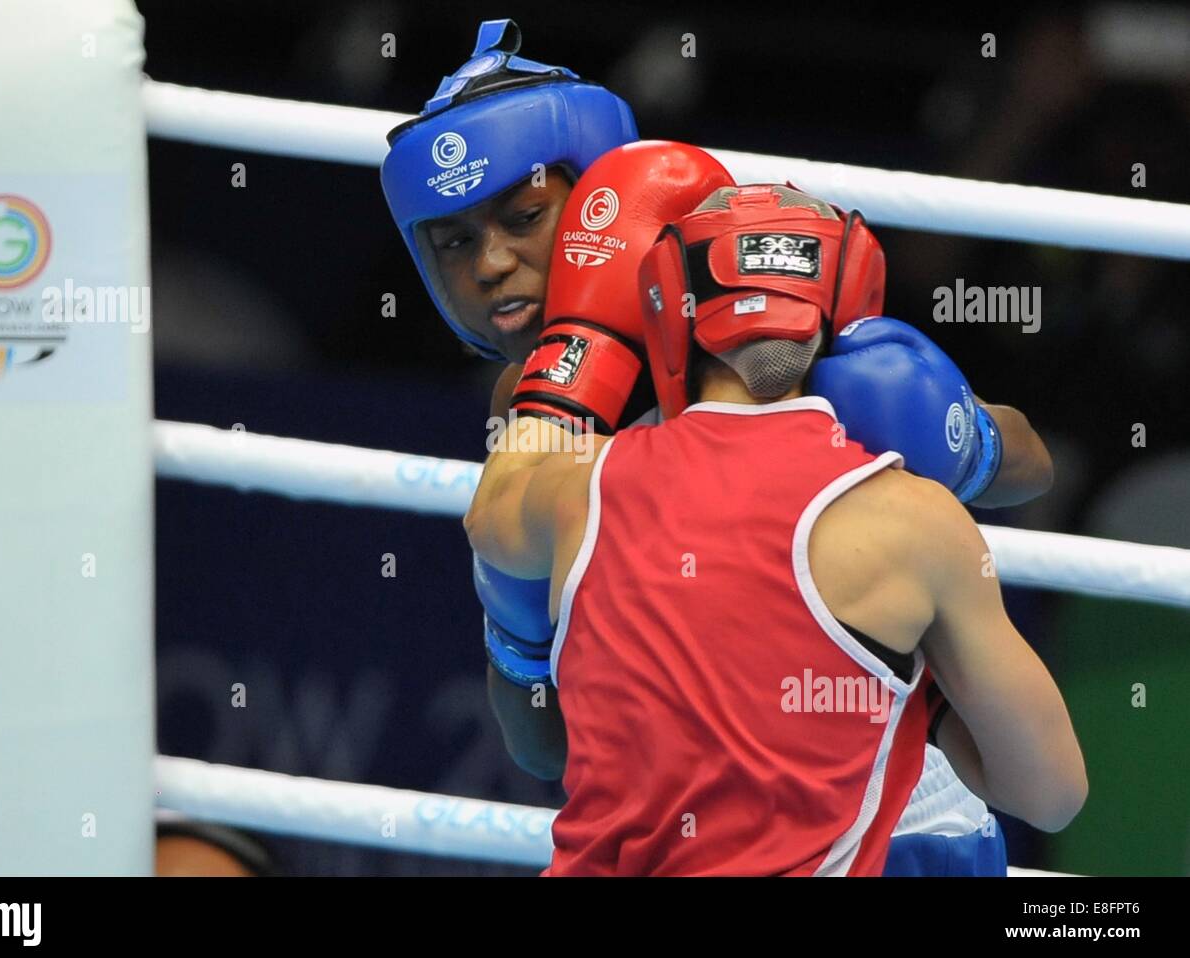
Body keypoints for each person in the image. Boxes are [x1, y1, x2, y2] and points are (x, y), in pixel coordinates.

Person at [383, 20, 1055, 875]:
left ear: (606, 202)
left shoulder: (765, 317)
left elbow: (1032, 465)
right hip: (682, 839)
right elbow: (540, 744)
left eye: (523, 218)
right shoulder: (529, 417)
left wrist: (957, 434)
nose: (492, 263)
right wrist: (514, 621)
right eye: (453, 241)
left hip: (899, 819)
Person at [463, 184, 1086, 875]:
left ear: (672, 316)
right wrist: (913, 674)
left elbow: (491, 510)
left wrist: (584, 341)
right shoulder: (912, 521)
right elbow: (1051, 793)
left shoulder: (575, 488)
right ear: (847, 316)